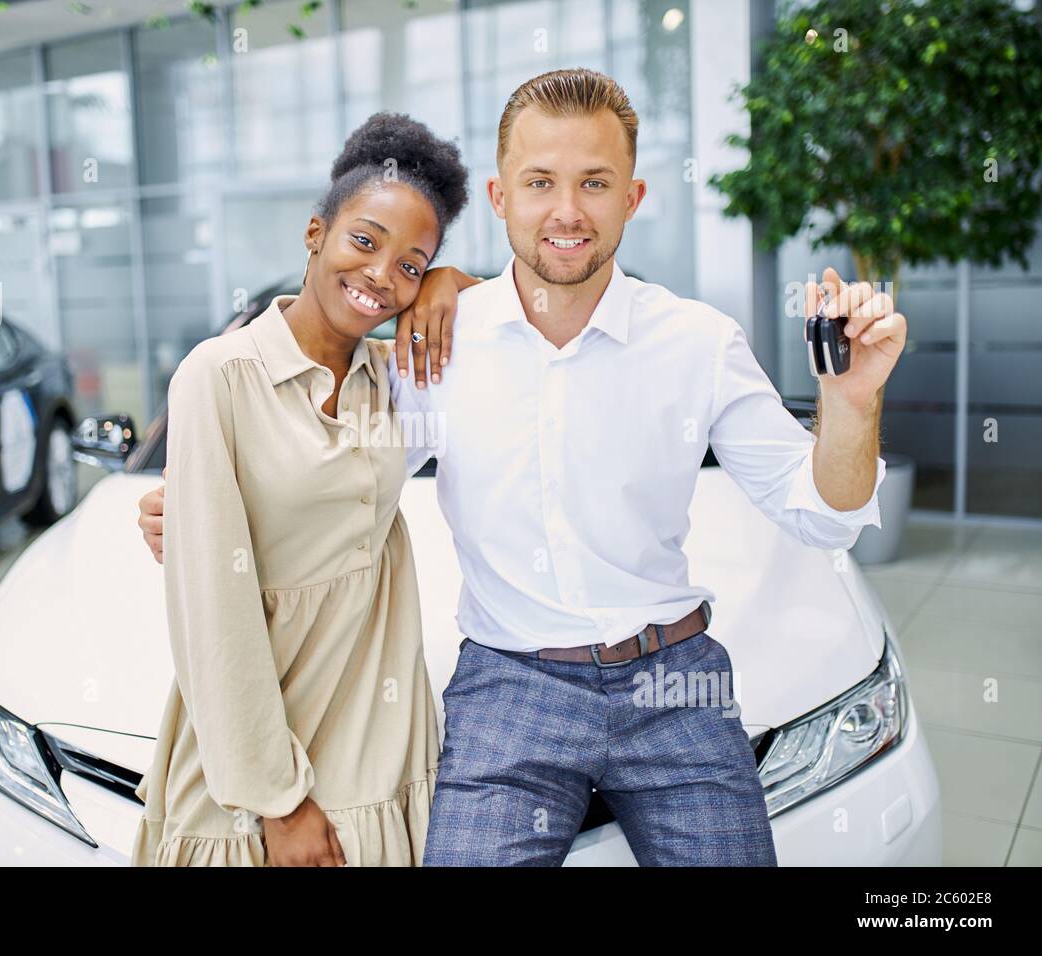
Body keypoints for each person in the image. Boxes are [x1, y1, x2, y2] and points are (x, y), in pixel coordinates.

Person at [140, 69, 906, 866]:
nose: (567, 211)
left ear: (633, 198)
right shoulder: (429, 348)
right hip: (509, 686)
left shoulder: (699, 343)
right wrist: (199, 507)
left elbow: (824, 513)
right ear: (502, 198)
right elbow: (322, 479)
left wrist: (851, 405)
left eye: (594, 183)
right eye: (540, 182)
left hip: (674, 680)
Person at [130, 111, 470, 867]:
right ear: (315, 233)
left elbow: (531, 335)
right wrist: (277, 801)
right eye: (364, 241)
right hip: (259, 750)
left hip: (380, 747)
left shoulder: (400, 382)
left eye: (411, 264)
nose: (383, 276)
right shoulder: (217, 377)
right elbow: (213, 609)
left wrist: (456, 283)